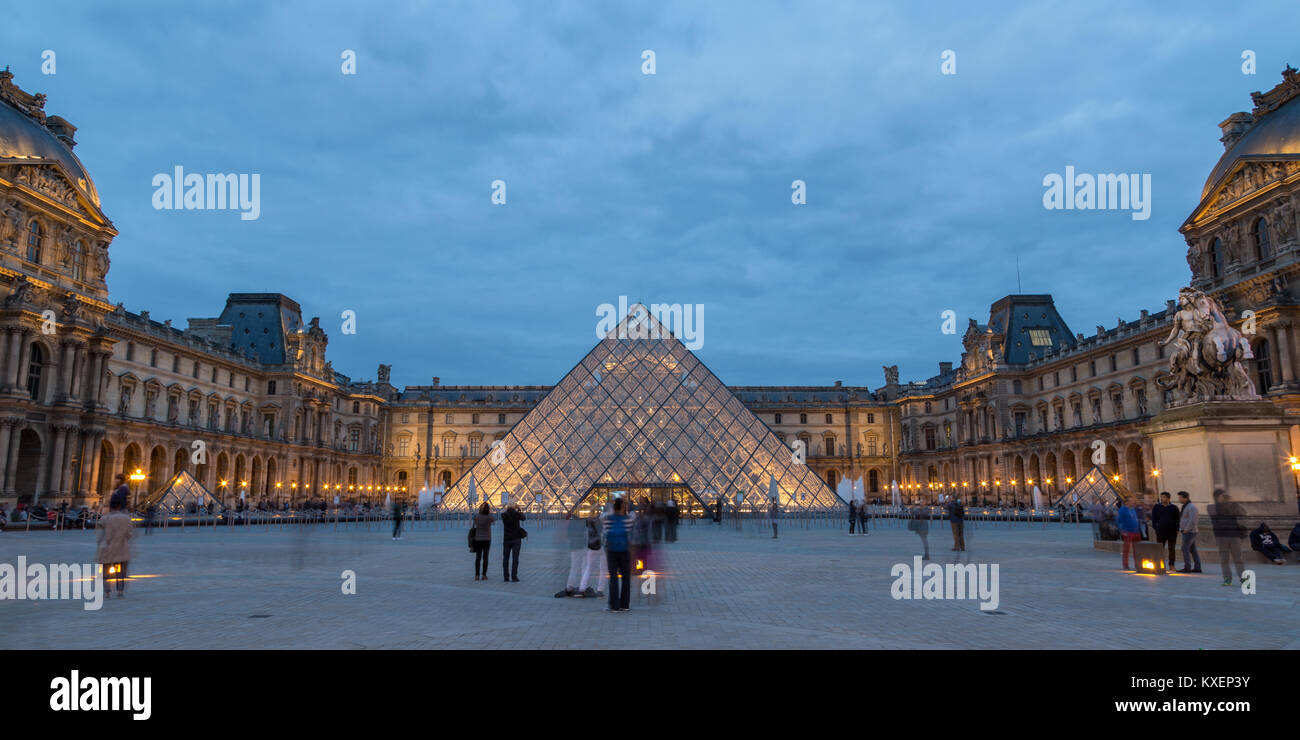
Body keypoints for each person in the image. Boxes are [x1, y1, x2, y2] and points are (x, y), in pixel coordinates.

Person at [96, 495, 134, 598]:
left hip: (107, 547)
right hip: (121, 547)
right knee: (120, 570)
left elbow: (99, 535)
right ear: (120, 506)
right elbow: (130, 535)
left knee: (105, 571)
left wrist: (99, 545)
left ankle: (107, 592)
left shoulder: (104, 518)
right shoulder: (127, 519)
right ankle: (120, 591)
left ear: (110, 506)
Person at [1209, 489, 1247, 586]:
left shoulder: (1233, 506)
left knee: (1238, 559)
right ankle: (1227, 579)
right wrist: (1223, 504)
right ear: (1216, 497)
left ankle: (1243, 579)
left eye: (1225, 496)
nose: (1224, 497)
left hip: (1235, 536)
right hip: (1222, 537)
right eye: (1221, 496)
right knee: (1224, 560)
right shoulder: (1212, 508)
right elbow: (1214, 517)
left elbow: (1243, 513)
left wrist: (1232, 502)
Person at [603, 497, 632, 612]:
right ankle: (625, 605)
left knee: (613, 578)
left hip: (611, 551)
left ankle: (614, 605)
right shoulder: (628, 519)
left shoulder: (607, 519)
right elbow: (630, 533)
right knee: (626, 579)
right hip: (624, 550)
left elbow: (605, 532)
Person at [1150, 492, 1180, 571]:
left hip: (1172, 532)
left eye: (1163, 497)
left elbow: (1178, 519)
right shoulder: (1157, 507)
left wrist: (1177, 529)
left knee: (1172, 549)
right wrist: (1156, 528)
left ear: (1168, 498)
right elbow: (1153, 519)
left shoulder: (1174, 508)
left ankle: (1171, 564)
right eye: (1161, 497)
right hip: (1161, 532)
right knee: (1160, 549)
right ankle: (1159, 564)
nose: (1162, 499)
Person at [1176, 491, 1202, 573]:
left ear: (1185, 498)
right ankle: (1197, 567)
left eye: (1180, 497)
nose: (1179, 499)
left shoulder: (1191, 507)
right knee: (1193, 550)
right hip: (1187, 531)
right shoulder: (1186, 506)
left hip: (1189, 532)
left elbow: (1192, 520)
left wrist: (1187, 529)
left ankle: (1187, 567)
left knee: (1184, 549)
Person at [500, 502, 526, 582]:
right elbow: (523, 518)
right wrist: (519, 509)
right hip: (516, 538)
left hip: (507, 539)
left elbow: (502, 512)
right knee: (515, 558)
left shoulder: (503, 515)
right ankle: (514, 576)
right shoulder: (516, 514)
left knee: (505, 558)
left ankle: (506, 577)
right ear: (514, 506)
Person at [471, 502, 496, 581]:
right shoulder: (489, 517)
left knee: (478, 558)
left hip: (478, 539)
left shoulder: (477, 517)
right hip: (487, 539)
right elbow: (494, 520)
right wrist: (490, 512)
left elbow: (474, 522)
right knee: (485, 557)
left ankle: (477, 575)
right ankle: (484, 575)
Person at [1116, 497, 1142, 571]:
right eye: (1132, 501)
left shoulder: (1133, 509)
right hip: (1128, 532)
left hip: (1136, 532)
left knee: (1137, 550)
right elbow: (1118, 521)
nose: (1133, 502)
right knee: (1126, 550)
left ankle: (1138, 565)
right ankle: (1125, 565)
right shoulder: (1122, 510)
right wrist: (1122, 530)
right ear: (1127, 502)